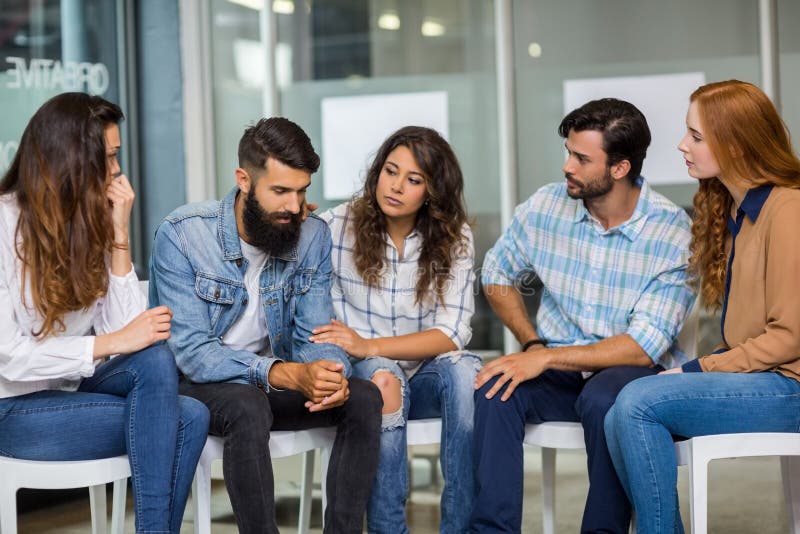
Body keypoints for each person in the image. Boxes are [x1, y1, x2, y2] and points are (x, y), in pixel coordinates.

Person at [469, 98, 696, 533]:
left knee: (604, 399)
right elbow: (496, 272)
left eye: (581, 158)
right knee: (495, 388)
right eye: (568, 152)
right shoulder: (547, 206)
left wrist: (547, 357)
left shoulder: (670, 232)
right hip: (557, 369)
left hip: (629, 373)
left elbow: (641, 346)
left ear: (619, 168)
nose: (567, 167)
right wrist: (532, 343)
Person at [149, 116, 382, 534]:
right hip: (196, 386)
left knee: (363, 397)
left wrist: (329, 372)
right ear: (243, 179)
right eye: (280, 191)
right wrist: (282, 372)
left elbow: (315, 332)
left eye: (302, 191)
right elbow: (193, 354)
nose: (294, 207)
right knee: (245, 404)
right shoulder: (183, 235)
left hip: (271, 381)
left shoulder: (311, 236)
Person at [0, 92, 209, 534]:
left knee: (160, 365)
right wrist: (113, 343)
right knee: (186, 418)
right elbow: (10, 356)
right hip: (12, 410)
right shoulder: (3, 225)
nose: (117, 170)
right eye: (108, 157)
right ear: (70, 160)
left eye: (117, 156)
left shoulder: (85, 223)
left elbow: (126, 331)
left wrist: (118, 231)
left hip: (69, 391)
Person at [605, 80, 800, 534]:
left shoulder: (787, 210)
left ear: (734, 143)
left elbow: (791, 336)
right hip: (763, 378)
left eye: (695, 136)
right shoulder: (735, 211)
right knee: (620, 409)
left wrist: (697, 370)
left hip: (791, 386)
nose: (681, 145)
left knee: (636, 404)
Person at [312, 126, 480, 533]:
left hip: (422, 377)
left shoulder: (455, 238)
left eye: (414, 179)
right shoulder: (335, 226)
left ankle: (460, 526)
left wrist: (370, 344)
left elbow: (452, 332)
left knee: (466, 371)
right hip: (367, 380)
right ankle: (390, 528)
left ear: (433, 191)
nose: (396, 186)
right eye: (391, 171)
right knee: (385, 379)